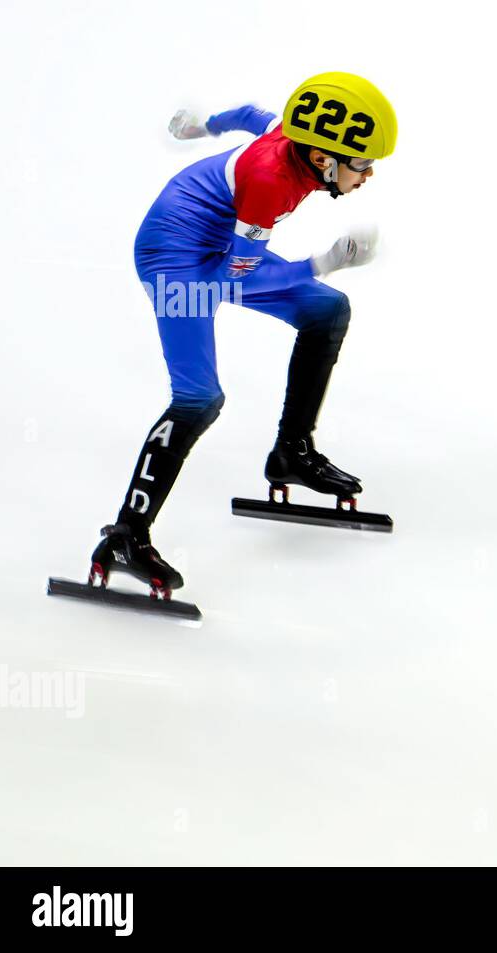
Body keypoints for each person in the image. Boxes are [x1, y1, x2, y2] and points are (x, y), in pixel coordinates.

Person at [88, 72, 398, 599]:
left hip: (214, 247)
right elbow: (233, 279)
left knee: (326, 311)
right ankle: (125, 537)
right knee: (198, 398)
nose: (367, 176)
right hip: (175, 264)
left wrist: (200, 127)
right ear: (324, 158)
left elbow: (252, 114)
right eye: (362, 163)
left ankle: (291, 454)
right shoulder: (270, 183)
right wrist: (325, 261)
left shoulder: (291, 133)